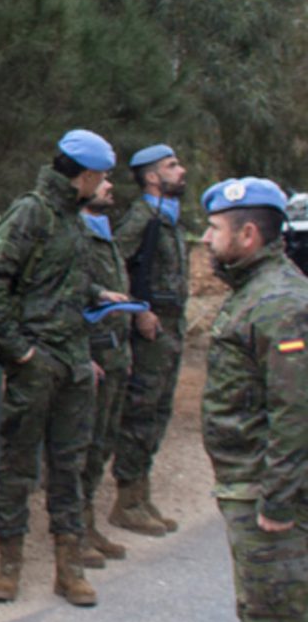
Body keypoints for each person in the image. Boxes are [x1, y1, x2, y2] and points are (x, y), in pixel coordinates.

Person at [0, 129, 128, 607]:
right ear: (83, 175)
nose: (102, 185)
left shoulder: (73, 221)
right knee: (19, 464)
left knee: (70, 464)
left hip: (75, 362)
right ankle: (9, 564)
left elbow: (59, 282)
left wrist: (99, 295)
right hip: (37, 363)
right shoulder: (32, 213)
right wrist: (19, 349)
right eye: (100, 177)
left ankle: (69, 567)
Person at [198, 177, 308, 622]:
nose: (205, 240)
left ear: (246, 234)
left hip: (267, 496)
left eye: (214, 230)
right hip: (249, 484)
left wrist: (277, 503)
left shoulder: (280, 302)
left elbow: (296, 411)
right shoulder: (256, 292)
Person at [109, 144, 188, 536]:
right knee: (140, 409)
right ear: (153, 177)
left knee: (159, 411)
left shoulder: (167, 218)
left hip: (172, 326)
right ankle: (127, 499)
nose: (181, 171)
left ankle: (141, 492)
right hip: (150, 329)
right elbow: (116, 264)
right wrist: (138, 309)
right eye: (172, 166)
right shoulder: (141, 218)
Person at [78, 179, 132, 566]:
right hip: (89, 354)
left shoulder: (104, 233)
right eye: (100, 178)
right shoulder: (74, 233)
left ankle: (88, 523)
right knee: (80, 448)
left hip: (114, 352)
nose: (108, 186)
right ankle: (73, 532)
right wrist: (79, 351)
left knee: (102, 444)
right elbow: (63, 296)